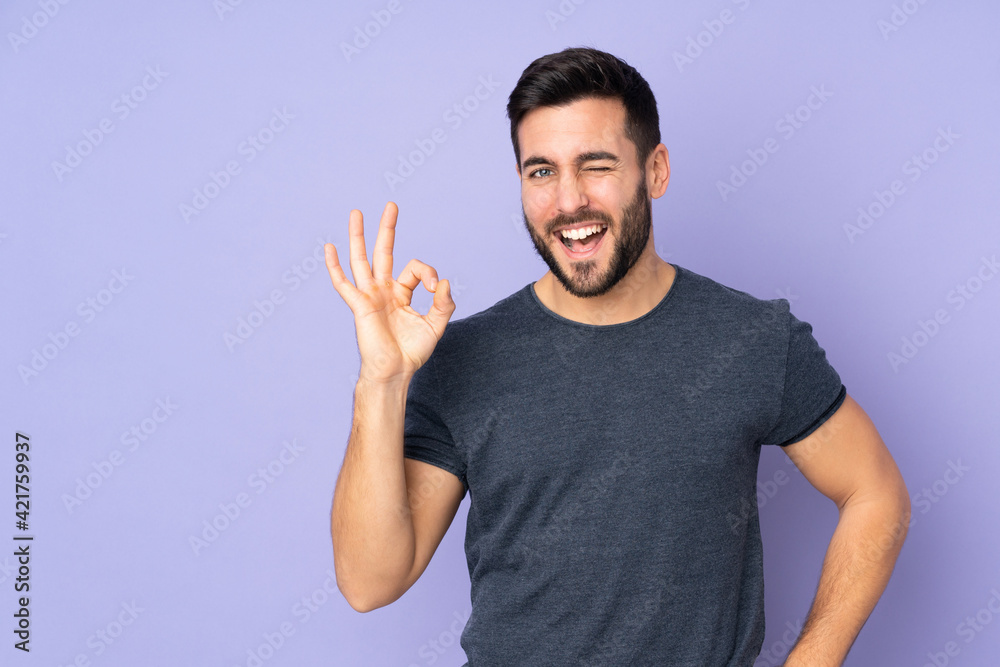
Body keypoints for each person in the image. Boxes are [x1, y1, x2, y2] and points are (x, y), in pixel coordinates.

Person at [325, 47, 910, 666]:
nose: (568, 201)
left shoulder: (754, 338)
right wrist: (381, 382)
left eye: (595, 165)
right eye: (541, 171)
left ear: (654, 171)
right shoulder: (464, 355)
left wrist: (812, 659)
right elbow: (369, 583)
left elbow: (877, 495)